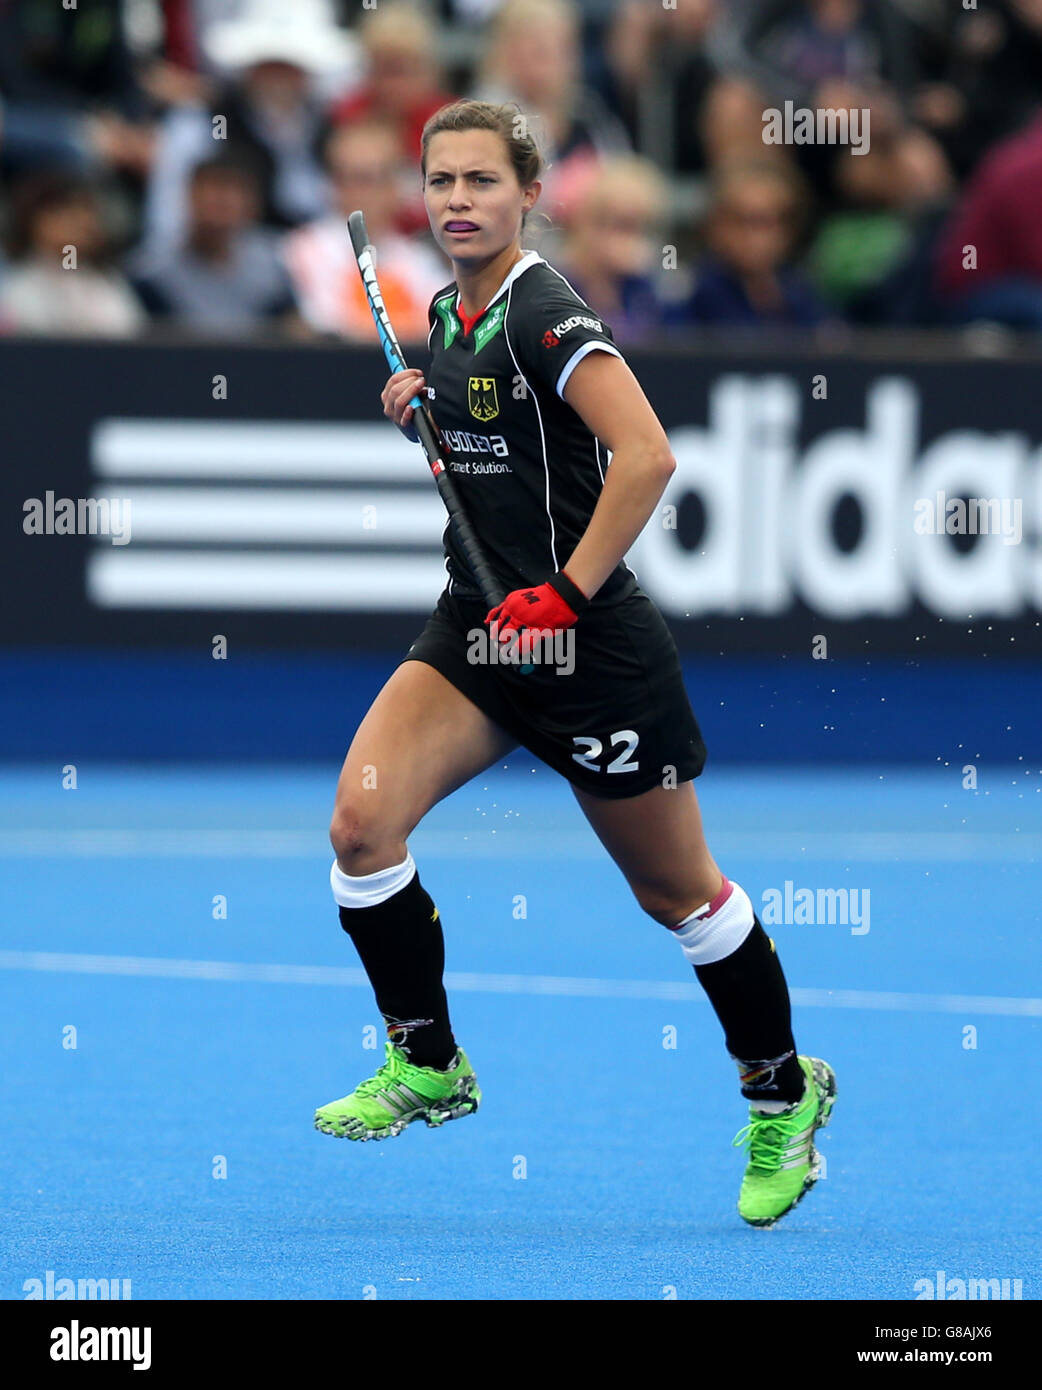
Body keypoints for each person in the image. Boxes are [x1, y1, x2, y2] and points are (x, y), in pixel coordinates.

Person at [312, 98, 837, 1228]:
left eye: (481, 182)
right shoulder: (448, 315)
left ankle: (781, 1093)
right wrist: (425, 414)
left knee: (679, 898)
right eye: (441, 181)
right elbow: (503, 449)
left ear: (528, 194)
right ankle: (429, 1064)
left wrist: (570, 589)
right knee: (360, 828)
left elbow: (646, 455)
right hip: (480, 631)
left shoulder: (542, 310)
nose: (458, 200)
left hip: (588, 647)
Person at [283, 120, 449, 343]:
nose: (369, 192)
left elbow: (446, 325)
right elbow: (331, 326)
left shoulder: (419, 258)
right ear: (334, 185)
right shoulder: (305, 249)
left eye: (381, 177)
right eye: (358, 178)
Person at [128, 156, 297, 334]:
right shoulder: (150, 274)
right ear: (188, 198)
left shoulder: (274, 265)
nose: (218, 204)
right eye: (211, 192)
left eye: (229, 194)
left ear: (251, 204)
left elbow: (292, 327)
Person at [0, 170, 146, 337]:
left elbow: (132, 334)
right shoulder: (18, 286)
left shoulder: (106, 282)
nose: (83, 221)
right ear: (35, 219)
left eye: (87, 210)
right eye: (67, 211)